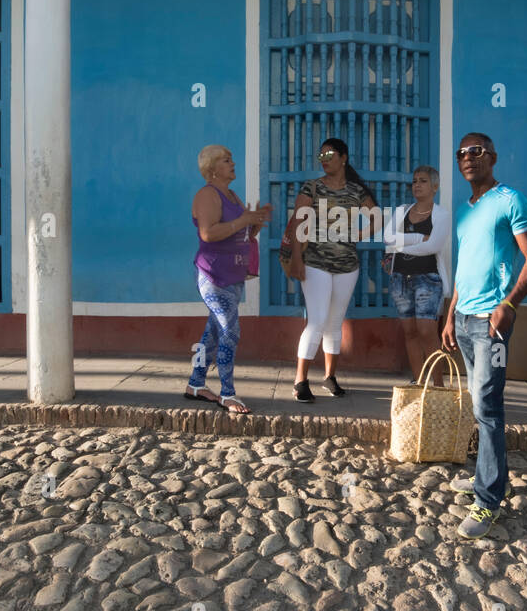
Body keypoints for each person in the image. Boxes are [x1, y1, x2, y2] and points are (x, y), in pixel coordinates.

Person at [441, 132, 527, 540]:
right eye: (462, 153)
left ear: (492, 157)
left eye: (477, 151)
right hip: (465, 319)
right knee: (478, 402)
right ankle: (489, 473)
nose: (468, 157)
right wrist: (450, 315)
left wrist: (509, 305)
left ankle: (488, 500)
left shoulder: (510, 200)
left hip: (491, 323)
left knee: (488, 405)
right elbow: (465, 269)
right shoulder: (465, 210)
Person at [285, 138, 379, 403]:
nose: (325, 159)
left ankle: (329, 376)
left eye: (330, 154)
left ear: (343, 157)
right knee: (316, 321)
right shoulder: (312, 187)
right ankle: (300, 380)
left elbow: (377, 217)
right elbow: (298, 224)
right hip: (315, 263)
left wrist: (359, 234)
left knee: (335, 323)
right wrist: (296, 259)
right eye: (321, 155)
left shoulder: (356, 191)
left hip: (348, 266)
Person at [187, 145, 271, 414]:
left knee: (212, 333)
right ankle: (227, 393)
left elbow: (239, 233)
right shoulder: (206, 195)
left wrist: (255, 222)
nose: (232, 163)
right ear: (212, 168)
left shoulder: (232, 195)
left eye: (232, 159)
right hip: (213, 277)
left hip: (233, 275)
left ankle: (196, 384)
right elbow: (208, 234)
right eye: (226, 160)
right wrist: (243, 220)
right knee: (229, 331)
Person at [383, 165, 451, 383]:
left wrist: (401, 245)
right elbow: (387, 238)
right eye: (414, 181)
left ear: (435, 186)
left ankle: (438, 385)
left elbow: (433, 246)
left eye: (422, 181)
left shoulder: (442, 214)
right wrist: (417, 238)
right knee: (410, 332)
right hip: (400, 278)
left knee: (426, 332)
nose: (417, 185)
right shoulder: (402, 210)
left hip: (427, 279)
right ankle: (418, 381)